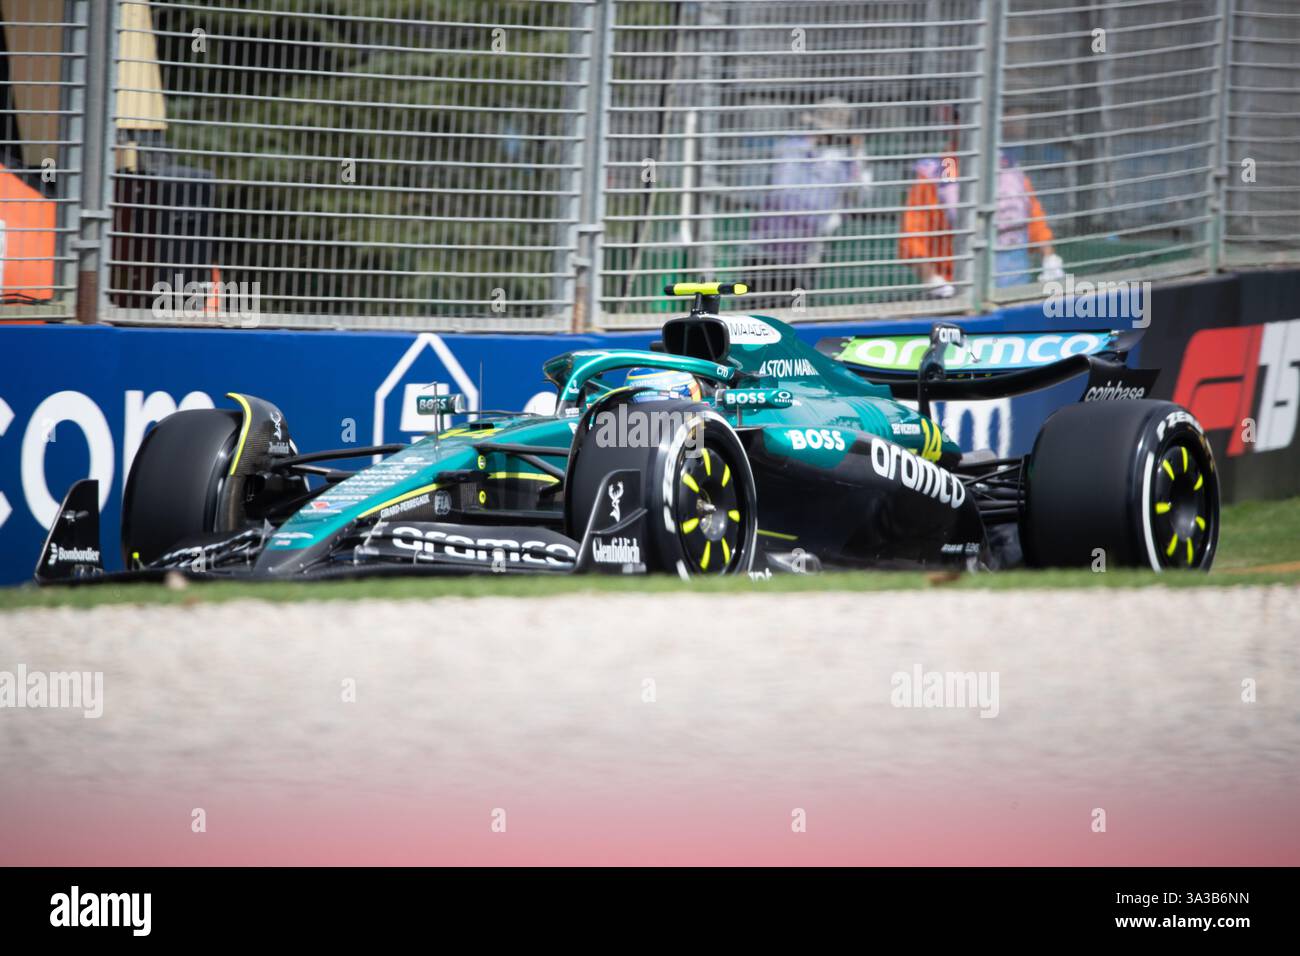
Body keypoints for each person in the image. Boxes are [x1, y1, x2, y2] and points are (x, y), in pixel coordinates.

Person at [900, 112, 1063, 297]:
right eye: (963, 118)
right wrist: (931, 279)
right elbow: (914, 235)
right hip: (958, 291)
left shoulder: (1006, 164)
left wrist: (1049, 257)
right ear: (952, 123)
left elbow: (1032, 215)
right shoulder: (944, 169)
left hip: (1014, 287)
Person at [750, 97, 874, 306]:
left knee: (794, 317)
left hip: (805, 258)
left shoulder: (843, 161)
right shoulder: (790, 148)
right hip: (763, 250)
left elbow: (861, 195)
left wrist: (857, 154)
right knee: (753, 315)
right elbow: (779, 188)